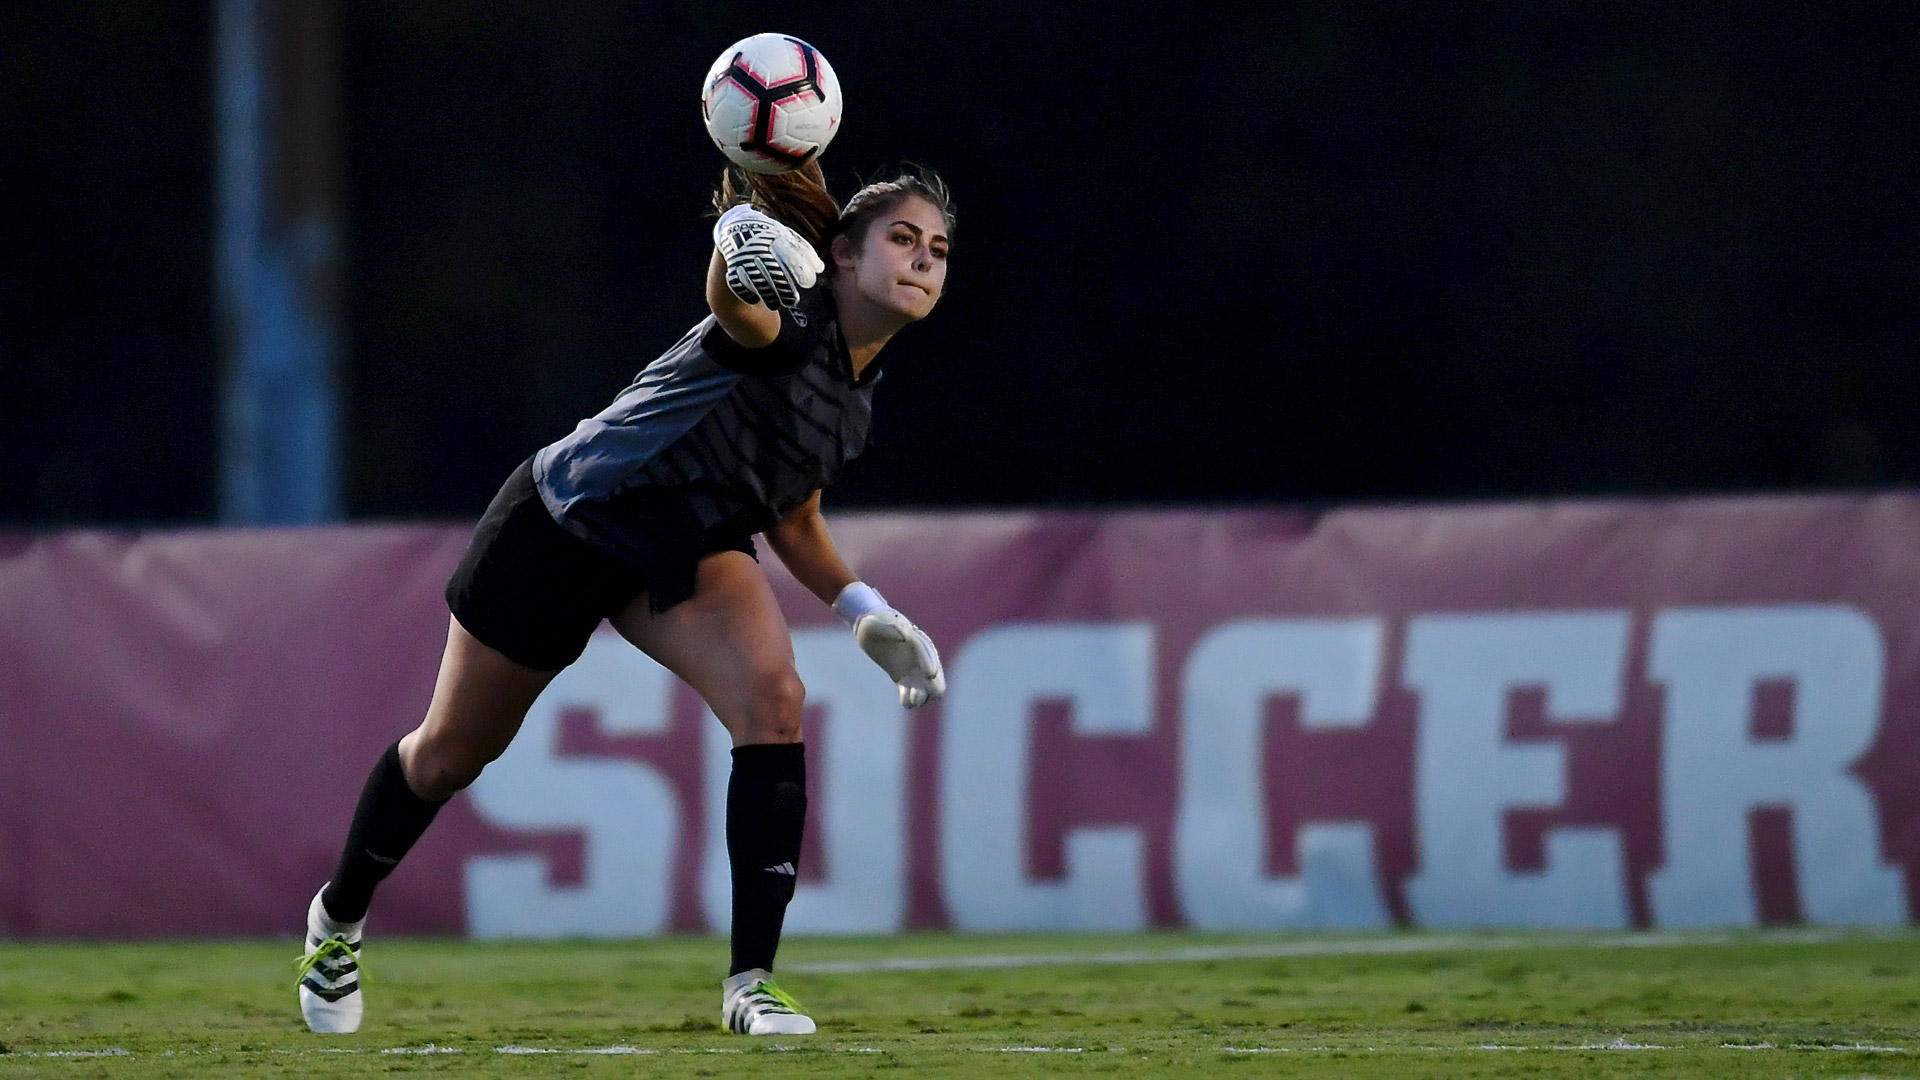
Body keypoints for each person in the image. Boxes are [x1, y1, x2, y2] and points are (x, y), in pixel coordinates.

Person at [294, 161, 955, 1037]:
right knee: (450, 756)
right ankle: (336, 922)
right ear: (839, 256)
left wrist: (863, 609)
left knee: (775, 700)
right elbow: (733, 309)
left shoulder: (856, 402)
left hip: (682, 546)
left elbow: (794, 517)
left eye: (938, 250)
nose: (921, 262)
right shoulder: (789, 323)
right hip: (571, 518)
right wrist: (731, 245)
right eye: (901, 239)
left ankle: (750, 984)